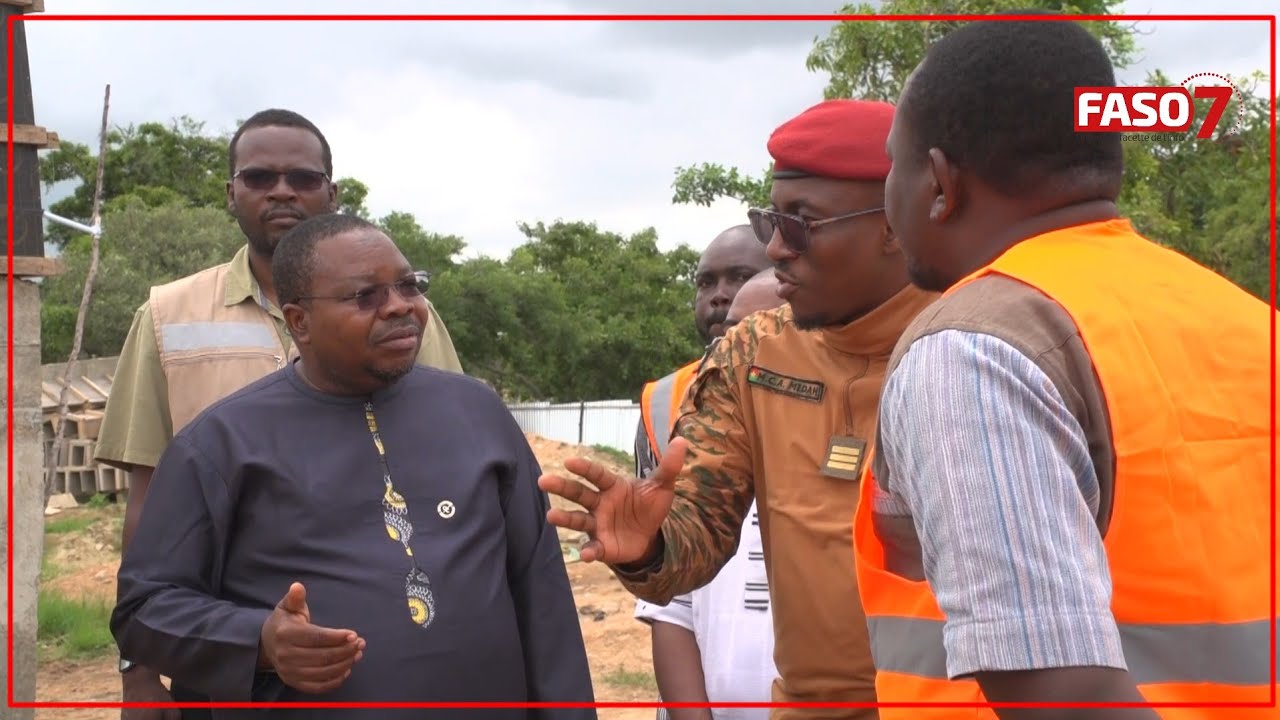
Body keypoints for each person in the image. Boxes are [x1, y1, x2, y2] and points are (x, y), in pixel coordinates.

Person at [855, 18, 1274, 719]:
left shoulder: (972, 350)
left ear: (939, 183)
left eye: (893, 165)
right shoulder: (1250, 323)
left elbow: (1063, 697)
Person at [539, 99, 940, 719]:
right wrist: (649, 547)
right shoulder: (756, 352)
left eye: (801, 224)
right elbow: (697, 531)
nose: (777, 249)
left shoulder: (982, 345)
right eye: (769, 222)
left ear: (893, 222)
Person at [110, 213, 596, 720]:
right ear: (299, 321)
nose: (401, 307)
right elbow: (145, 608)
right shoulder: (220, 445)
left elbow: (541, 590)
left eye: (410, 286)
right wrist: (258, 639)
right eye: (367, 296)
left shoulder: (478, 413)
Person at [94, 108, 463, 719]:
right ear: (231, 193)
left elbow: (451, 453)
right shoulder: (167, 316)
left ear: (333, 193)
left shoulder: (405, 313)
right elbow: (146, 500)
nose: (283, 191)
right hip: (229, 653)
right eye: (260, 177)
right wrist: (139, 667)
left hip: (395, 637)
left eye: (304, 178)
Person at [634, 268, 784, 720]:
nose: (735, 353)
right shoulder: (701, 466)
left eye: (762, 332)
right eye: (730, 339)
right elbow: (673, 613)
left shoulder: (861, 452)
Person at [636, 225, 772, 483]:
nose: (719, 295)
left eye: (741, 277)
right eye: (705, 283)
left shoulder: (832, 380)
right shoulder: (661, 401)